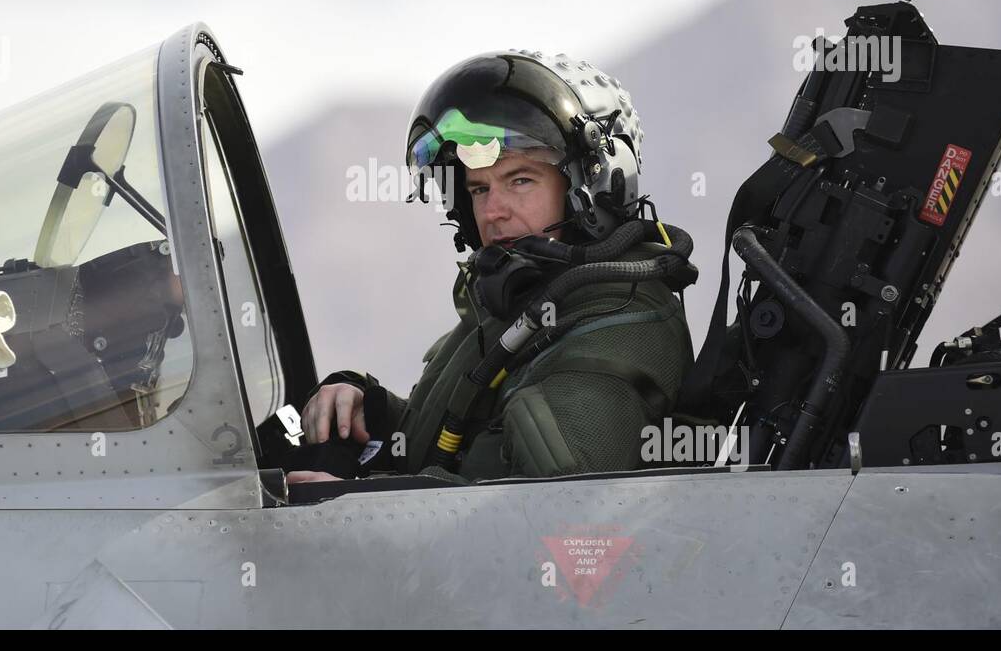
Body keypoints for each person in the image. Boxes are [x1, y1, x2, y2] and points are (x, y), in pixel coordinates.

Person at [286, 50, 696, 485]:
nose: (493, 211)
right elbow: (454, 441)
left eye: (520, 180)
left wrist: (356, 502)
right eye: (479, 189)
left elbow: (537, 506)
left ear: (591, 185)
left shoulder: (623, 318)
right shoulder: (512, 306)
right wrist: (367, 409)